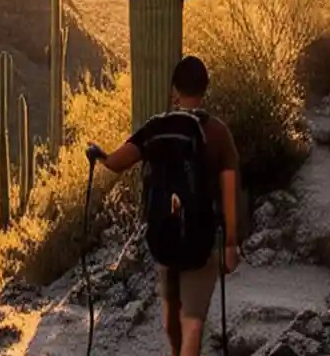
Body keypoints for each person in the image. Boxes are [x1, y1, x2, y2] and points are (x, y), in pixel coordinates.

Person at [88, 56, 241, 356]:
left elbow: (117, 162)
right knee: (193, 322)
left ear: (174, 90)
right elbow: (229, 188)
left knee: (173, 322)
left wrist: (98, 154)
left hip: (165, 238)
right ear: (205, 89)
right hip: (202, 240)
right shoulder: (219, 133)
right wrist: (231, 244)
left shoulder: (156, 128)